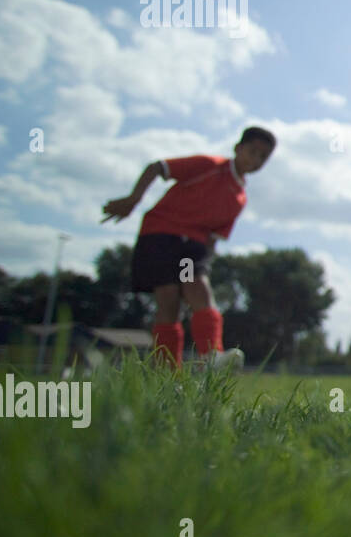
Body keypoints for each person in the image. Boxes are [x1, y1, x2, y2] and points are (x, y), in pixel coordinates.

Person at [101, 127, 276, 369]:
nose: (255, 160)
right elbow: (158, 167)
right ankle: (166, 372)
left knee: (197, 286)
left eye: (262, 157)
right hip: (161, 235)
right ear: (238, 148)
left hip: (192, 247)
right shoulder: (208, 166)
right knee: (168, 300)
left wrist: (205, 266)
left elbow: (214, 237)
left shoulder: (239, 198)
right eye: (252, 151)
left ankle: (211, 357)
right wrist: (133, 199)